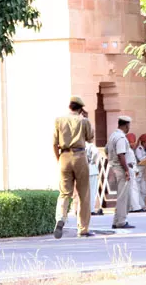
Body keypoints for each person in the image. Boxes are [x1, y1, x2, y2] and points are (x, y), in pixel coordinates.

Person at [52, 96, 95, 238]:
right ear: (80, 108)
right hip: (79, 156)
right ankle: (83, 229)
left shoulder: (59, 120)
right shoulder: (83, 121)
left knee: (64, 193)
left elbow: (54, 143)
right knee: (84, 195)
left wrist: (59, 159)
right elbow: (90, 138)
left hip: (64, 156)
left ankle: (60, 219)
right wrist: (87, 120)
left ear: (70, 106)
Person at [106, 116, 135, 229]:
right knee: (124, 197)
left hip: (115, 167)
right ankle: (121, 221)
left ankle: (116, 220)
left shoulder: (113, 136)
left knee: (121, 195)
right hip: (121, 168)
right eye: (128, 126)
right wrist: (126, 170)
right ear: (126, 125)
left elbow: (106, 150)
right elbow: (121, 154)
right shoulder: (121, 137)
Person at [126, 133, 143, 213]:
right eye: (132, 142)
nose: (133, 144)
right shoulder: (128, 151)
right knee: (133, 189)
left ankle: (132, 207)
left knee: (131, 189)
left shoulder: (129, 150)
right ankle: (136, 207)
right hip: (130, 170)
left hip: (131, 170)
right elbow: (131, 163)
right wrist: (135, 170)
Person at [135, 133, 146, 210]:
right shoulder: (138, 149)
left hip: (142, 172)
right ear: (143, 142)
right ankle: (142, 206)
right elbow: (141, 159)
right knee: (138, 190)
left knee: (144, 191)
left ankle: (140, 204)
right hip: (137, 172)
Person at [86, 141, 102, 216]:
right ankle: (91, 209)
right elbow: (95, 152)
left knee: (83, 191)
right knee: (92, 191)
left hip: (81, 169)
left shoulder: (78, 143)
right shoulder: (90, 145)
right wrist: (92, 160)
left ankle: (82, 209)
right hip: (91, 169)